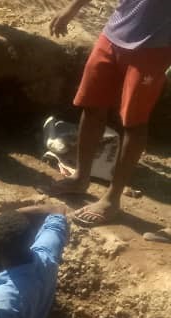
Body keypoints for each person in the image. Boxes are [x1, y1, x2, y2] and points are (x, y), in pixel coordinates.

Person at [49, 0, 171, 225]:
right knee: (92, 105)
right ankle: (80, 177)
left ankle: (112, 199)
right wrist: (72, 8)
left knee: (134, 122)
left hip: (154, 48)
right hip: (113, 34)